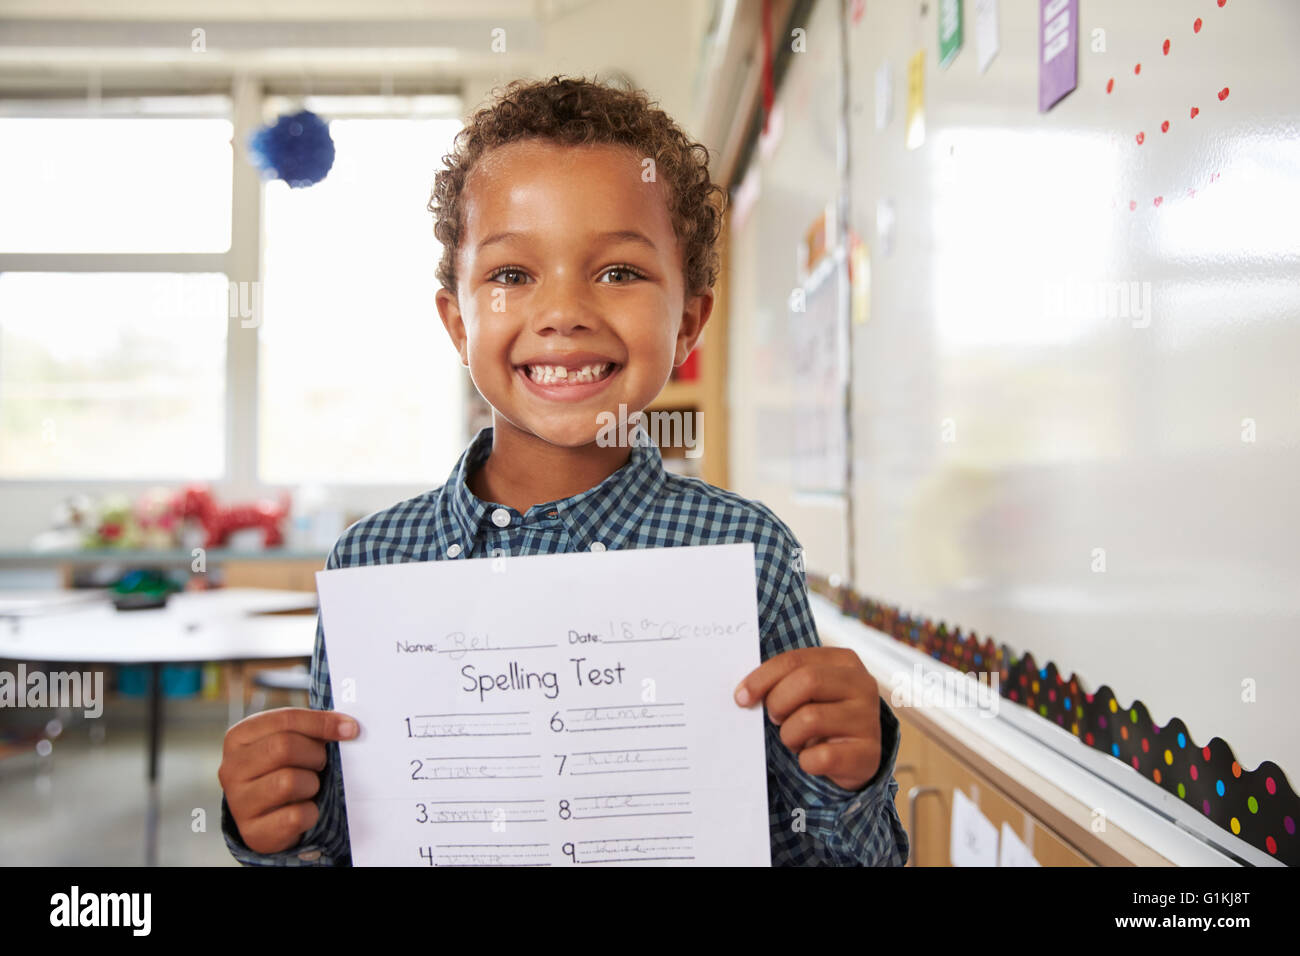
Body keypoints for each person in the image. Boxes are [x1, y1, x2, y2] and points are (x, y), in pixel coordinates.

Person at [218, 75, 909, 866]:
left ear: (688, 320)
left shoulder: (745, 552)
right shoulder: (372, 564)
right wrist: (278, 829)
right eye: (512, 275)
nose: (564, 311)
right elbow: (352, 838)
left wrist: (850, 780)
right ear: (458, 320)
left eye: (618, 272)